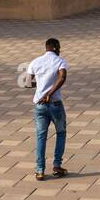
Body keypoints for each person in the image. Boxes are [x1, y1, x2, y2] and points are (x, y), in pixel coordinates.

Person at [25, 37, 69, 180]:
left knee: (41, 137)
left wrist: (41, 85)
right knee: (61, 133)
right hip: (55, 104)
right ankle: (57, 165)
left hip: (39, 105)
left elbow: (28, 83)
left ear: (46, 48)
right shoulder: (60, 61)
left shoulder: (35, 62)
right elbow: (62, 78)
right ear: (56, 48)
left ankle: (40, 170)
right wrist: (50, 93)